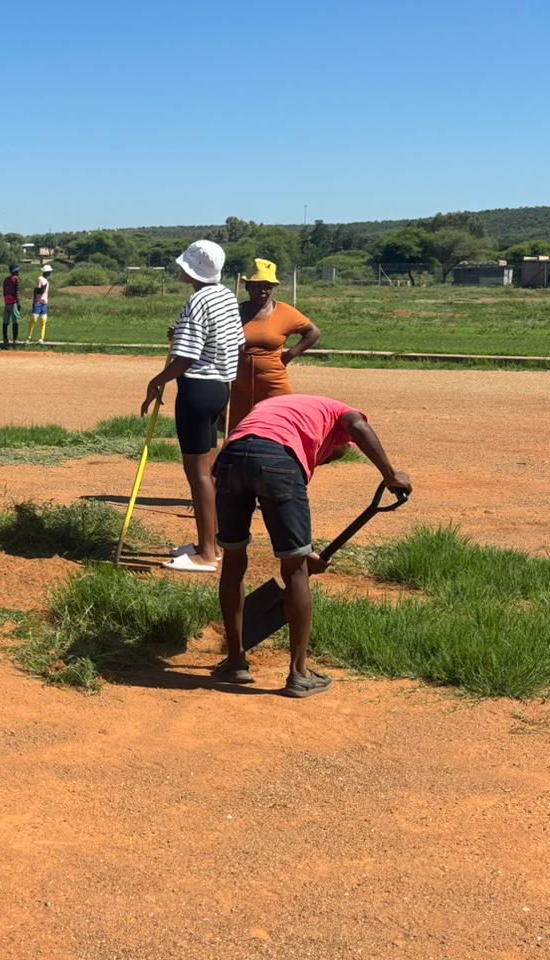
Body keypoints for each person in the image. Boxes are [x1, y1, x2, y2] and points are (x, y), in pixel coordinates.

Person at [213, 394, 412, 698]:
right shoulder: (340, 413)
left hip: (230, 459)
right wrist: (390, 474)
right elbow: (356, 423)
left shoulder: (278, 410)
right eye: (330, 455)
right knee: (294, 571)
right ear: (338, 440)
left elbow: (259, 474)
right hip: (277, 460)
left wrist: (307, 554)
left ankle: (236, 663)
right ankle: (299, 674)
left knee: (234, 557)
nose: (322, 459)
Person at [141, 239, 244, 572]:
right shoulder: (226, 296)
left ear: (191, 269)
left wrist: (156, 381)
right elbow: (233, 342)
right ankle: (208, 542)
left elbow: (186, 357)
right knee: (207, 472)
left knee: (197, 474)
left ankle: (207, 554)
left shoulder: (198, 300)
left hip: (197, 391)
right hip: (219, 389)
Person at [229, 259, 322, 430]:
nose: (262, 290)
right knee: (239, 430)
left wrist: (289, 356)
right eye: (257, 285)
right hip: (239, 384)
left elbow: (313, 332)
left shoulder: (285, 312)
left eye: (267, 286)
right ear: (247, 286)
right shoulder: (235, 311)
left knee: (283, 425)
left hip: (273, 382)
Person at [27, 264, 52, 344]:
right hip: (38, 302)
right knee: (34, 319)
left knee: (43, 320)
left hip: (44, 302)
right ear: (46, 272)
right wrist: (34, 302)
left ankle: (41, 338)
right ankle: (29, 337)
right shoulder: (41, 279)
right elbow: (38, 290)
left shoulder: (46, 281)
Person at [2, 264, 21, 347]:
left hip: (7, 302)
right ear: (15, 271)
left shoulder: (6, 279)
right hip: (13, 302)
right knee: (15, 321)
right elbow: (16, 292)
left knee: (5, 322)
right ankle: (15, 339)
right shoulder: (16, 279)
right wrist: (19, 303)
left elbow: (4, 292)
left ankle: (5, 339)